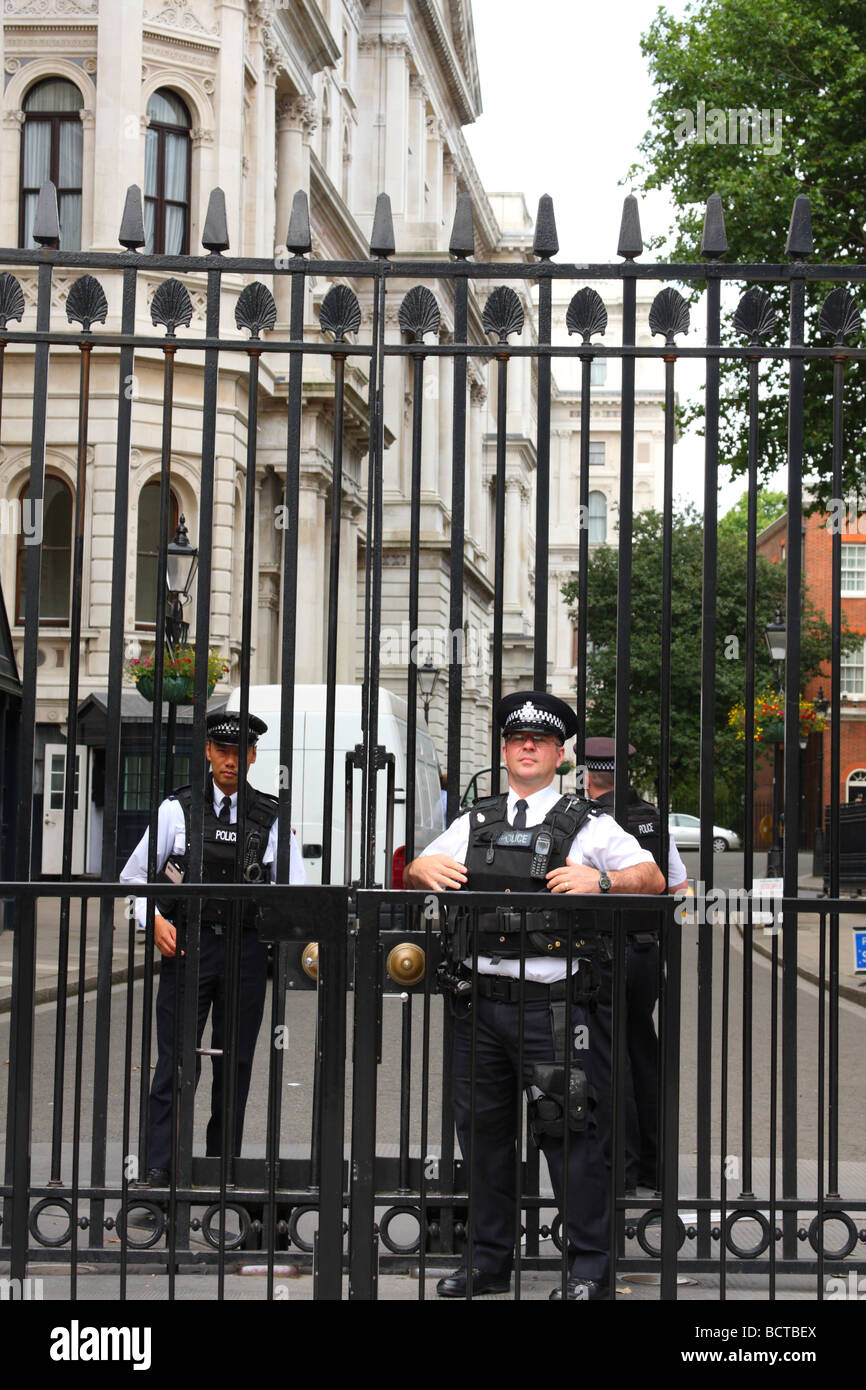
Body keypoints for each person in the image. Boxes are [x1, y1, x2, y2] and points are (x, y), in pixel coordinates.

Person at [402, 691, 665, 1301]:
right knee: (485, 1137)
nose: (527, 747)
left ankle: (588, 1269)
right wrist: (420, 870)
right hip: (478, 1007)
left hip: (552, 1010)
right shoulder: (474, 821)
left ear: (559, 754)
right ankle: (489, 1262)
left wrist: (600, 880)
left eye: (540, 741)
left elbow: (651, 877)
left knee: (568, 1136)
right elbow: (422, 864)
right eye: (518, 739)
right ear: (504, 750)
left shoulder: (590, 824)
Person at [120, 710, 306, 1186]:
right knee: (176, 1061)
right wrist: (154, 919)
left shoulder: (269, 815)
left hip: (245, 952)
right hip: (188, 946)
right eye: (221, 751)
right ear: (207, 752)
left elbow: (295, 889)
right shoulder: (175, 810)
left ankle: (223, 1166)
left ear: (252, 756)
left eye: (239, 752)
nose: (230, 760)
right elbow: (134, 879)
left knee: (235, 1063)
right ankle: (161, 1168)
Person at [582, 738, 688, 1195]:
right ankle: (654, 1166)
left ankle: (618, 1169)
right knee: (643, 1050)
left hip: (599, 951)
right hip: (647, 951)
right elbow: (680, 888)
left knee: (607, 1056)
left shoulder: (584, 820)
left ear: (588, 776)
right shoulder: (653, 820)